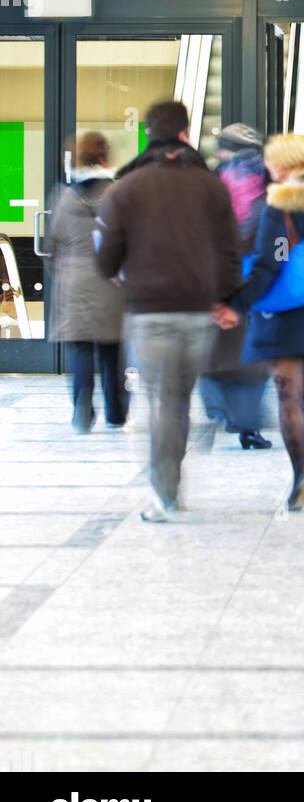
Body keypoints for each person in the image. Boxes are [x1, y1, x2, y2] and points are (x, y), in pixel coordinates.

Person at [94, 101, 242, 522]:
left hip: (149, 311)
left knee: (162, 401)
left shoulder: (127, 186)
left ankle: (166, 493)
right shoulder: (211, 185)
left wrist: (121, 277)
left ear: (147, 133)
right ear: (185, 133)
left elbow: (105, 256)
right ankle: (169, 486)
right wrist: (225, 297)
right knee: (179, 398)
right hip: (197, 310)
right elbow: (230, 249)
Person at [216, 135, 304, 512]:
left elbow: (270, 264)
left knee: (287, 394)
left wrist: (236, 304)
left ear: (283, 163)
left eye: (270, 160)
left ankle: (300, 475)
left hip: (282, 311)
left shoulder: (279, 204)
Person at [45, 131, 129, 433]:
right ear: (105, 156)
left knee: (81, 349)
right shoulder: (118, 194)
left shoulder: (63, 196)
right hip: (111, 280)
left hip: (73, 282)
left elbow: (52, 245)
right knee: (112, 350)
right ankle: (117, 412)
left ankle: (82, 403)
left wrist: (64, 272)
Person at [198, 124, 272, 451]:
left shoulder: (211, 182)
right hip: (255, 275)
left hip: (217, 272)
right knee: (250, 348)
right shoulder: (268, 181)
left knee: (215, 343)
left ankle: (221, 410)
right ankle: (247, 419)